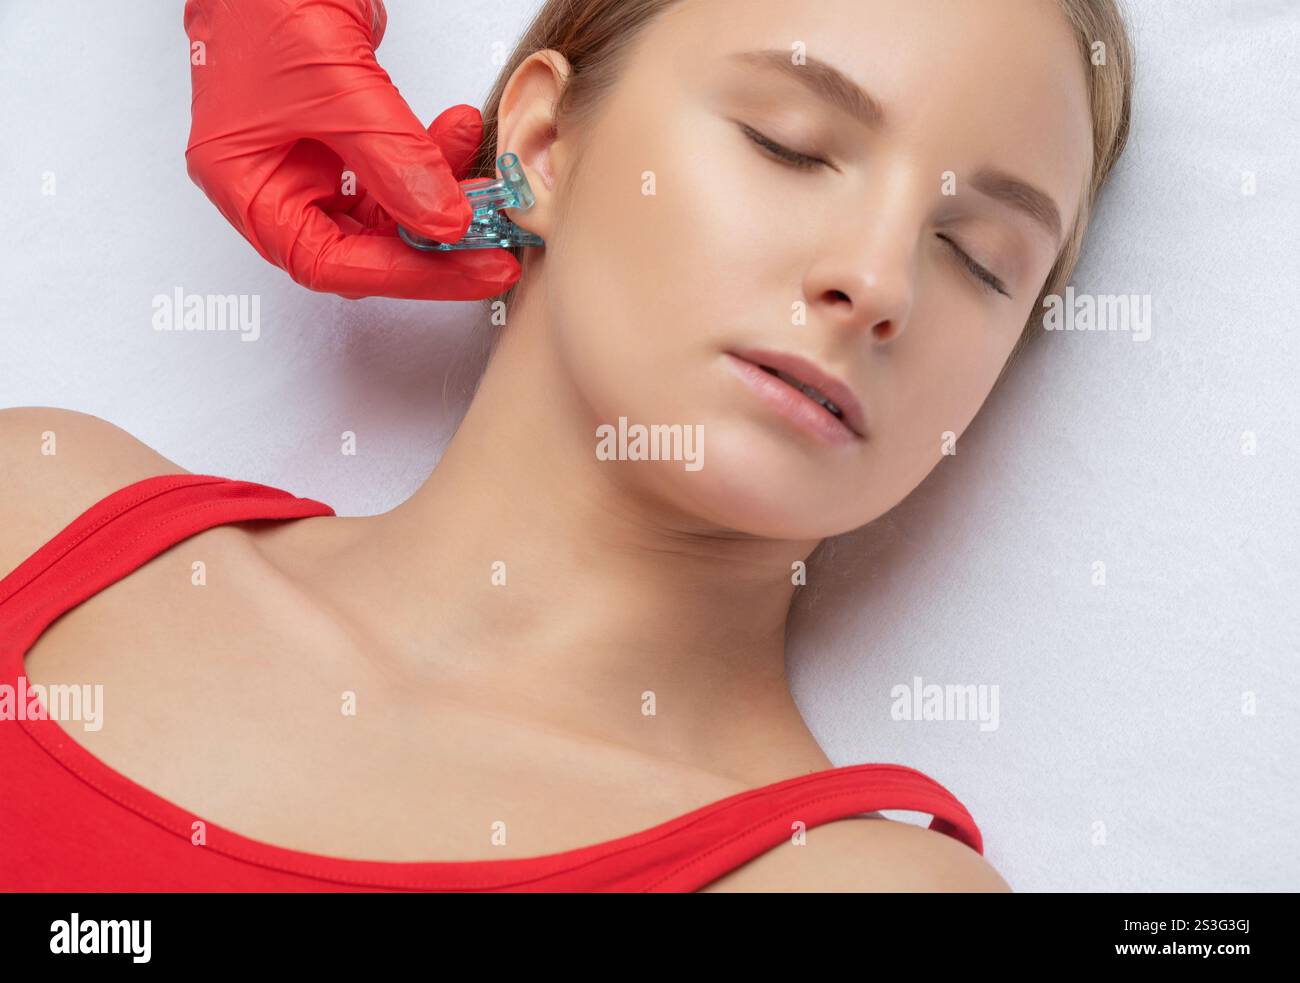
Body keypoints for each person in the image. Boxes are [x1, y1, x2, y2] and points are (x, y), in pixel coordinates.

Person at [0, 0, 1133, 891]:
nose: (878, 281)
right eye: (788, 145)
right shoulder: (35, 503)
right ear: (542, 142)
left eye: (979, 257)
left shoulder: (860, 885)